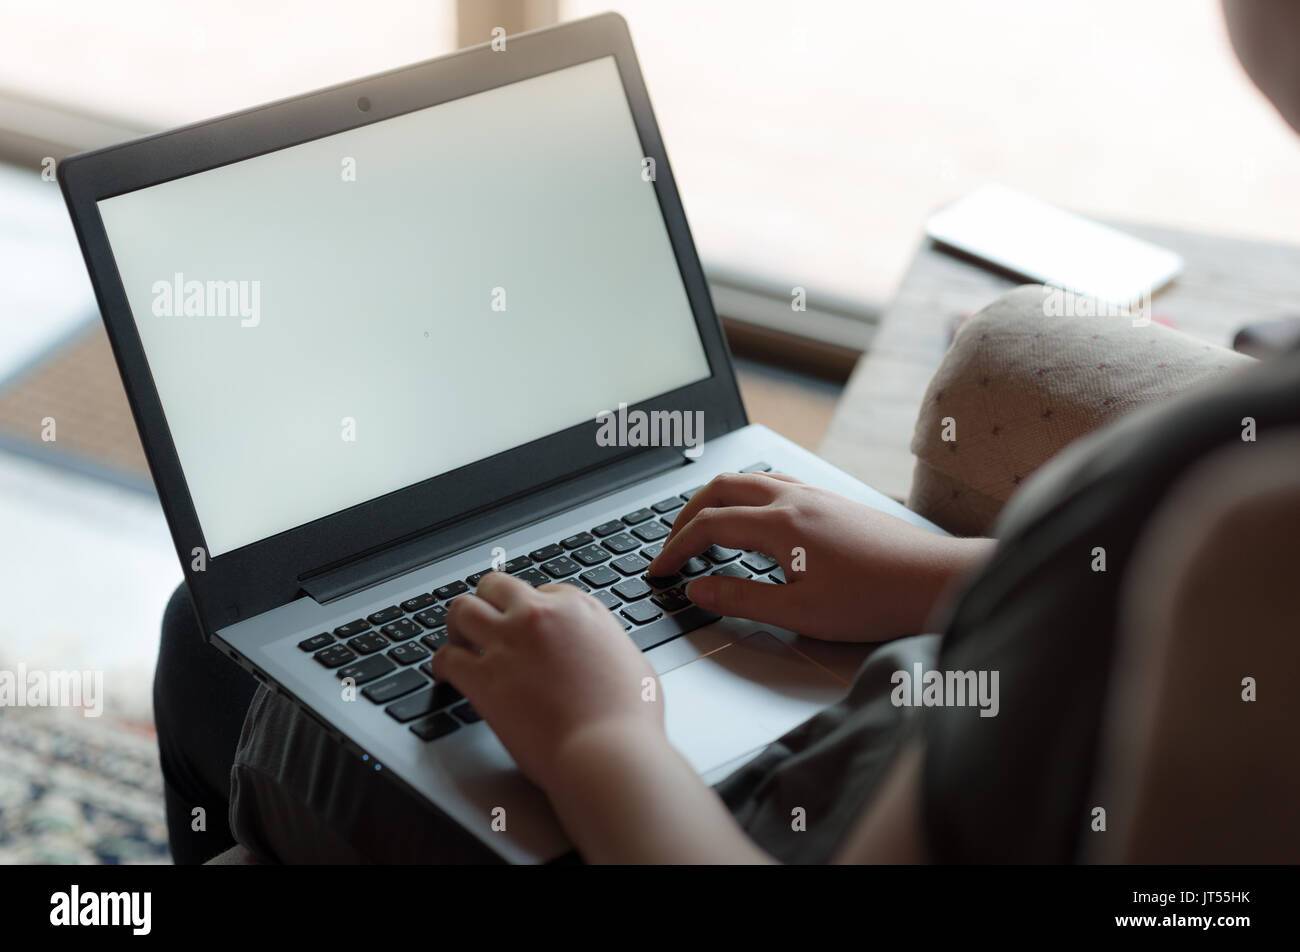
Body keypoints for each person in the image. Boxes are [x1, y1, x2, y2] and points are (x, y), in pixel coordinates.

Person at [153, 0, 1300, 864]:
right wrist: (946, 579)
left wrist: (601, 738)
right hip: (885, 710)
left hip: (715, 821)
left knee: (219, 649)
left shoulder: (1246, 524)